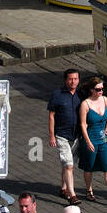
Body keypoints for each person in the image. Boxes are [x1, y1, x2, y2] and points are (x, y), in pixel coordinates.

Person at [78, 76, 107, 206]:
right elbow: (82, 125)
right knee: (89, 167)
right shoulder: (85, 104)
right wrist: (88, 142)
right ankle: (89, 191)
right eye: (98, 89)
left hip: (105, 140)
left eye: (102, 89)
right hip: (91, 139)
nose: (101, 92)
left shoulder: (104, 100)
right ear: (91, 90)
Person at [47, 68, 82, 205]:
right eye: (70, 79)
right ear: (65, 80)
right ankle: (72, 195)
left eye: (76, 79)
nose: (73, 81)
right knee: (69, 165)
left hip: (76, 135)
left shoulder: (81, 94)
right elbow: (51, 115)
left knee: (68, 163)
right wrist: (52, 135)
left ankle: (63, 188)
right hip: (62, 134)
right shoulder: (57, 94)